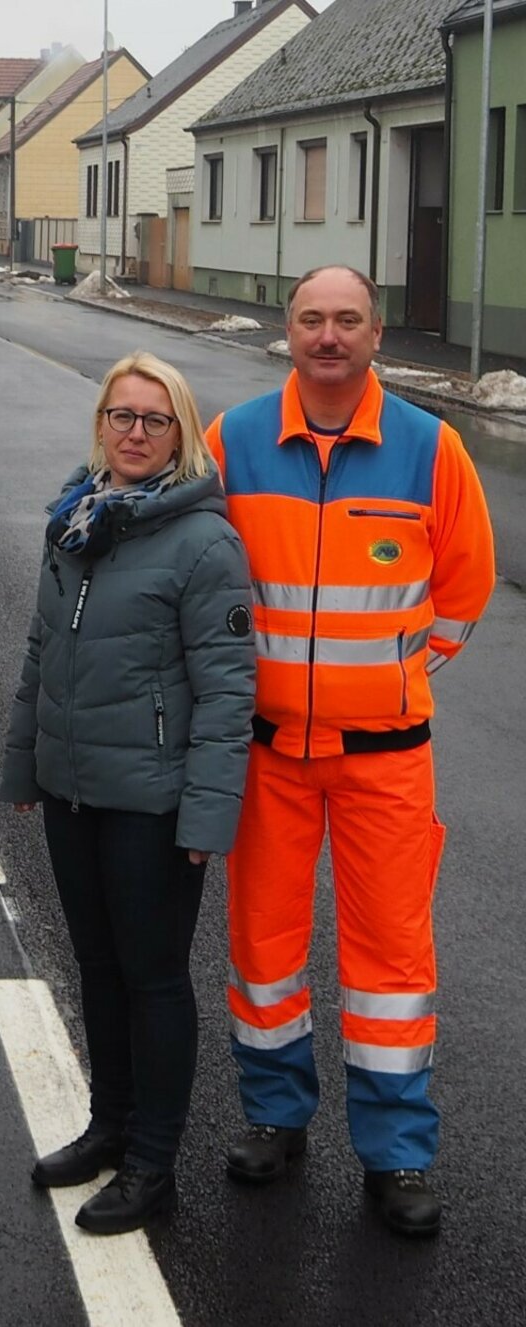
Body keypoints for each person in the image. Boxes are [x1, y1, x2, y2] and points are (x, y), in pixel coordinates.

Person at [206, 265, 494, 1238]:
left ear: (376, 335)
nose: (326, 337)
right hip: (266, 753)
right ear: (283, 332)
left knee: (389, 962)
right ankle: (273, 1116)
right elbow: (194, 574)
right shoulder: (232, 441)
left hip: (384, 756)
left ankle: (396, 1151)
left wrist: (399, 675)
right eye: (308, 320)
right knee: (263, 948)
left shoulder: (428, 447)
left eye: (345, 321)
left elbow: (461, 587)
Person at [0, 352, 255, 1234]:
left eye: (155, 419)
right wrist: (23, 761)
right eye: (121, 415)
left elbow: (227, 690)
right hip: (75, 788)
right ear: (100, 423)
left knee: (152, 979)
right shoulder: (73, 521)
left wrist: (209, 811)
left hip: (152, 801)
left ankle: (153, 1161)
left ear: (180, 432)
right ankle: (108, 1127)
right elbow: (41, 648)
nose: (135, 432)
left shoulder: (204, 541)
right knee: (98, 969)